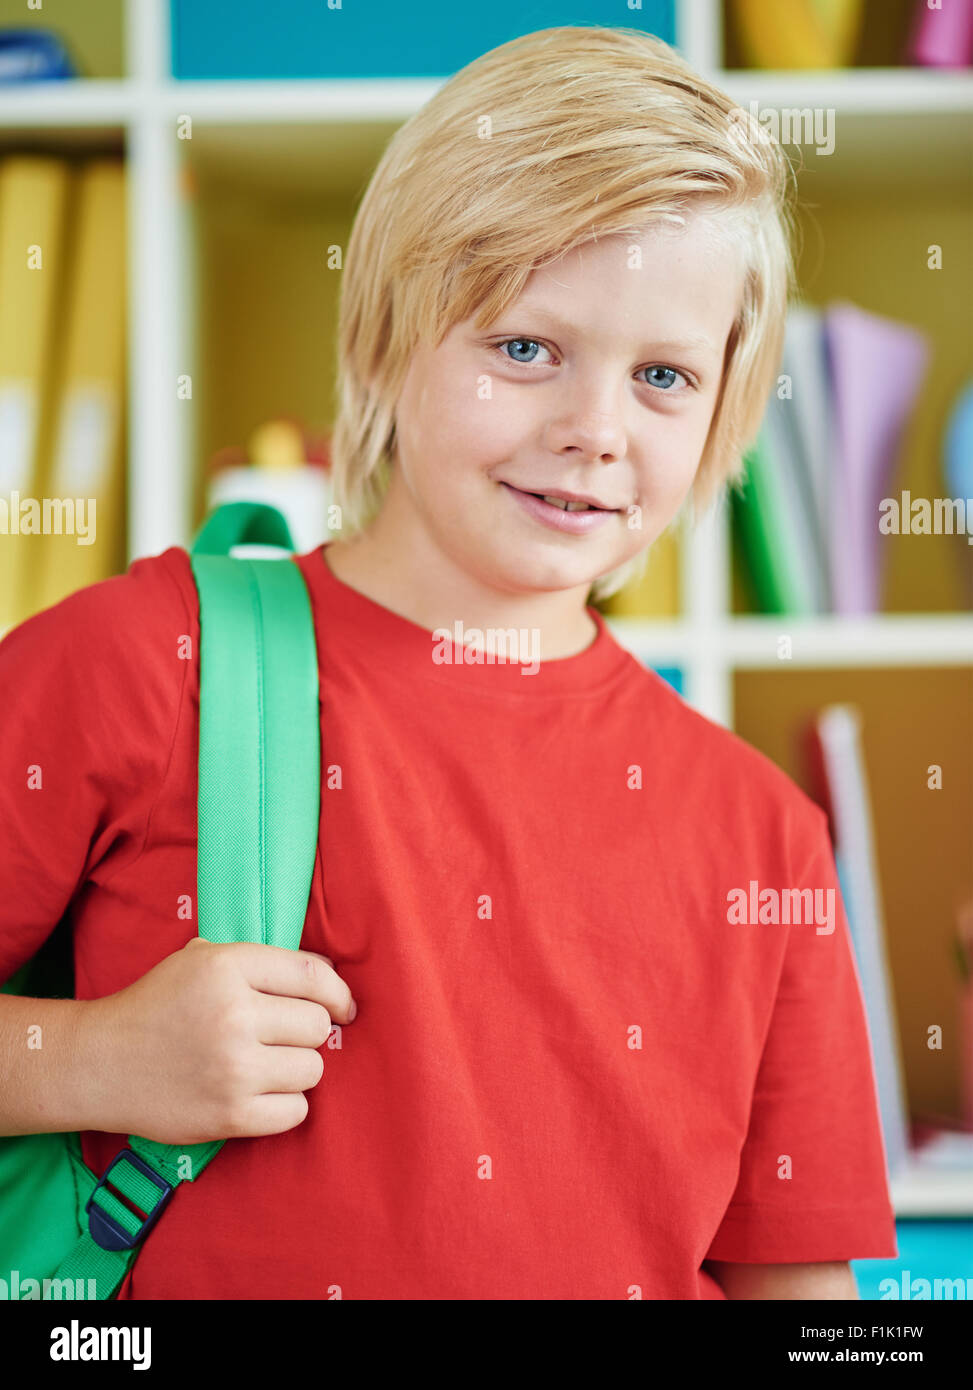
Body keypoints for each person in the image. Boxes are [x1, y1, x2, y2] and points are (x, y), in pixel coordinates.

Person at [0, 26, 897, 1299]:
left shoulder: (767, 838)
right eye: (524, 348)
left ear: (720, 423)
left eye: (661, 376)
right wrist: (88, 1060)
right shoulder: (140, 664)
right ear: (380, 342)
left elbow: (799, 1297)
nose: (593, 430)